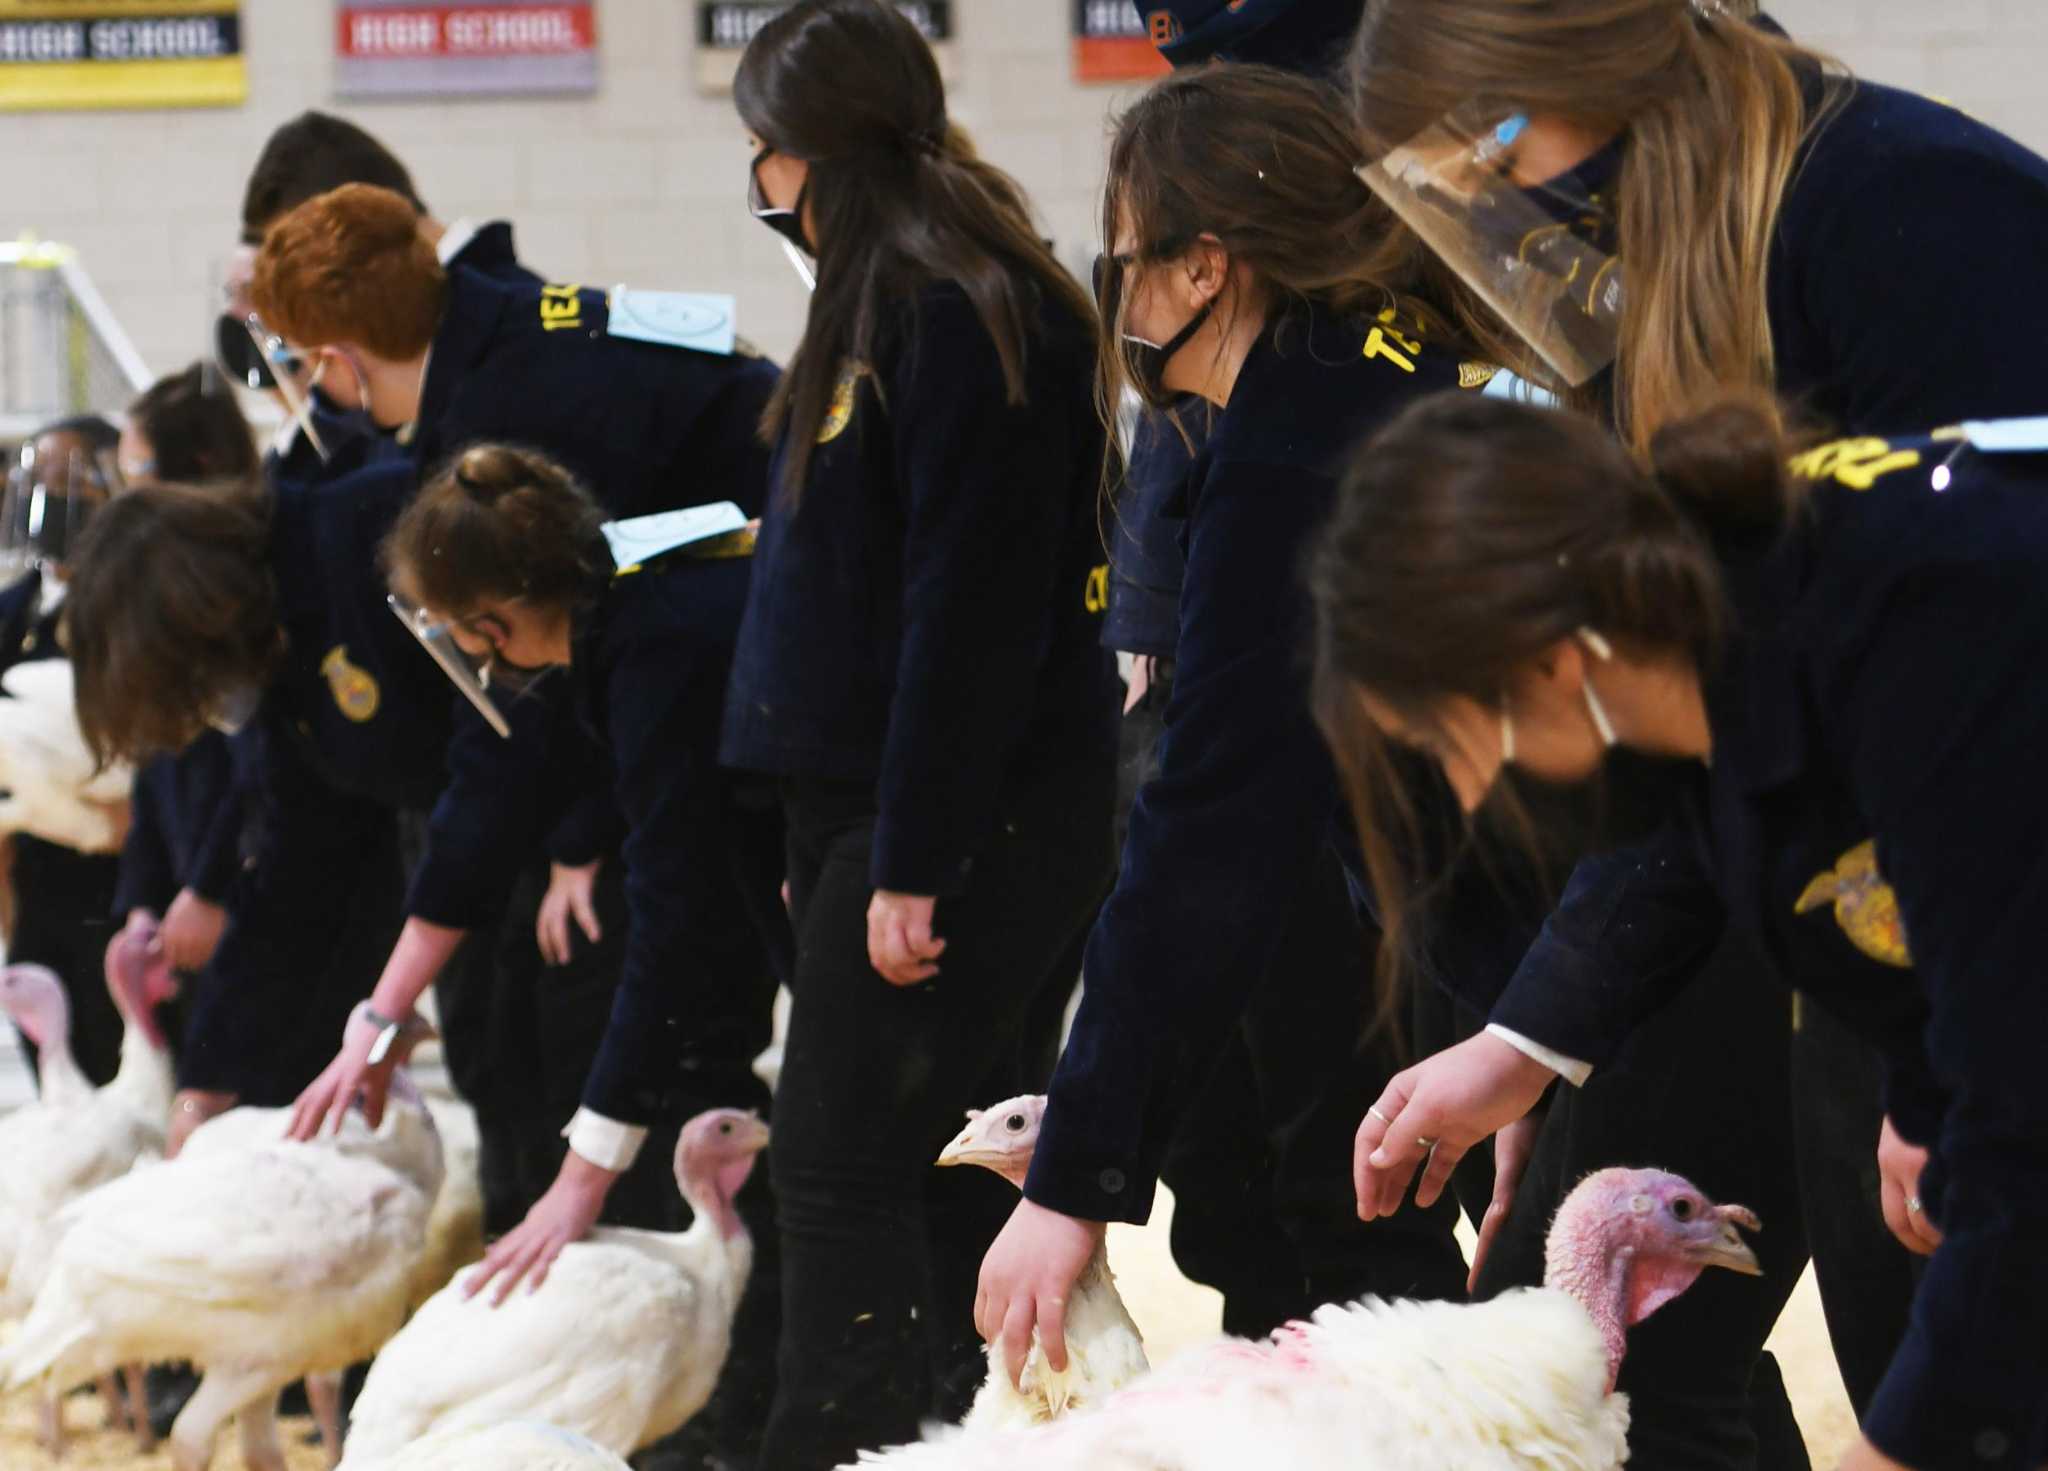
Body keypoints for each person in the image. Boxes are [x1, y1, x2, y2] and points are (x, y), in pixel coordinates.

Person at [1342, 0, 2048, 1439]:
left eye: (1479, 155)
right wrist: (1539, 1033)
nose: (1479, 216)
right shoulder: (1670, 288)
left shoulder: (1902, 209)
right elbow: (1709, 724)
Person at [1309, 390, 2048, 1471]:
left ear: (1544, 663)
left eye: (1445, 741)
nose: (1468, 794)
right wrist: (1924, 1084)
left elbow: (2021, 1126)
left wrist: (1897, 1447)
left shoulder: (1906, 633)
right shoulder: (1717, 677)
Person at [974, 59, 1504, 1398]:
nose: (1117, 291)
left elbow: (1211, 814)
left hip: (1573, 901)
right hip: (1552, 907)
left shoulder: (1294, 440)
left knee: (1636, 1362)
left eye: (1124, 255)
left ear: (1204, 264)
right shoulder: (1383, 353)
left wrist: (1074, 1176)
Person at [717, 3, 1119, 1462]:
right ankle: (962, 1439)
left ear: (816, 153)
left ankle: (838, 1441)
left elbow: (970, 615)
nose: (755, 174)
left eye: (765, 145)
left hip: (971, 817)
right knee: (939, 1163)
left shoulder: (963, 305)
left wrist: (910, 855)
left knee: (836, 1165)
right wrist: (824, 836)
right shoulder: (881, 294)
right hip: (883, 813)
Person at [375, 442, 786, 1304]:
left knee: (837, 1169)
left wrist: (582, 1177)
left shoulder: (651, 641)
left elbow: (673, 908)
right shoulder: (631, 594)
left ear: (489, 624)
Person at [110, 364, 261, 1065]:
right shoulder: (161, 571)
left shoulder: (240, 572)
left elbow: (258, 764)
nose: (129, 487)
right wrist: (145, 900)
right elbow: (154, 757)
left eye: (138, 466)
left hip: (251, 885)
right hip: (183, 889)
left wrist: (210, 885)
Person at [0, 415, 126, 1086]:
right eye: (39, 479)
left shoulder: (136, 607)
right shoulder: (13, 611)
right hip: (37, 871)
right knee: (50, 1053)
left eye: (69, 479)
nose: (51, 497)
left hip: (122, 870)